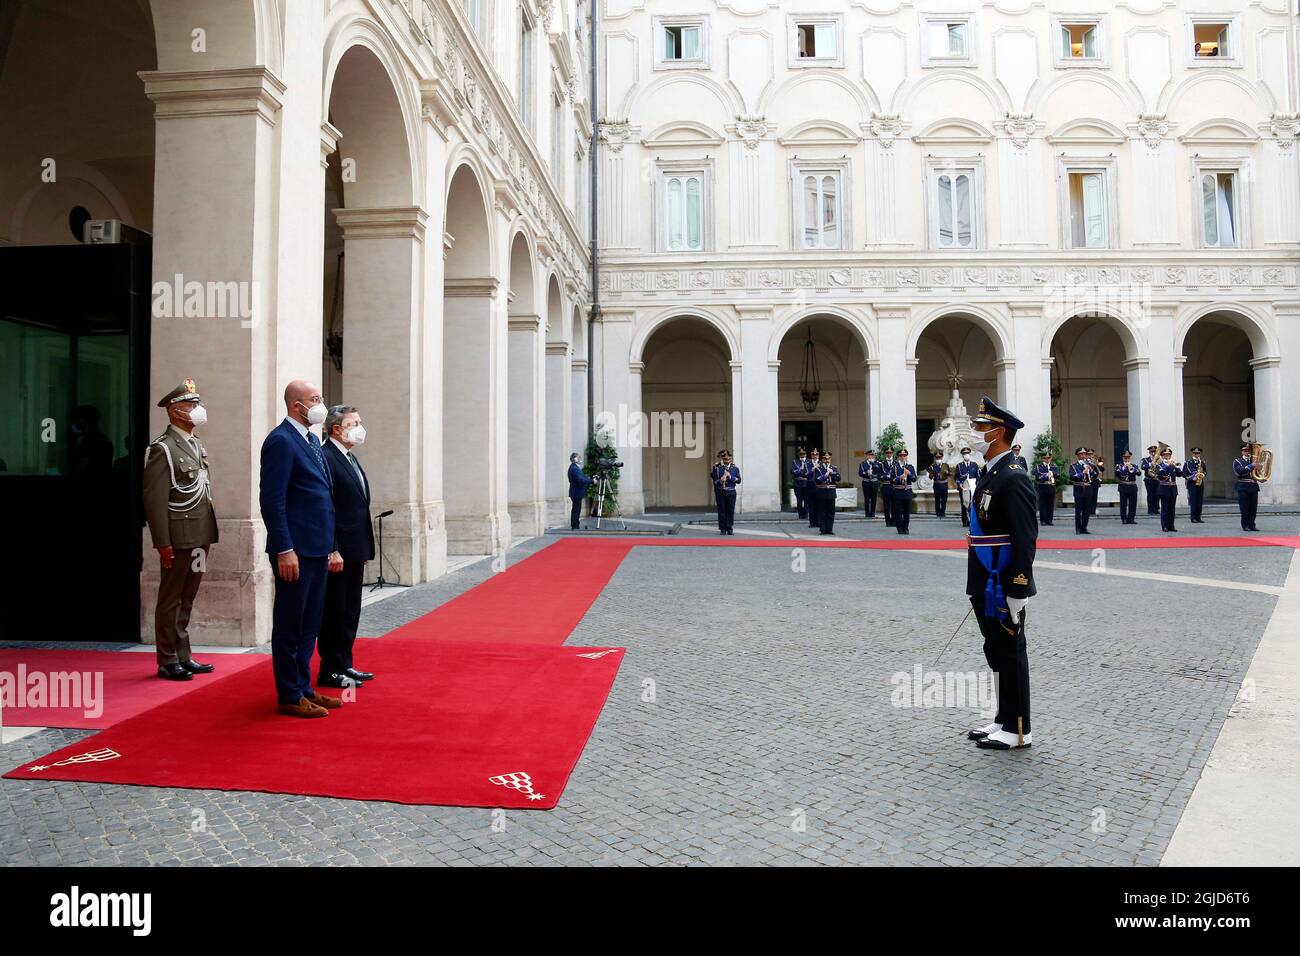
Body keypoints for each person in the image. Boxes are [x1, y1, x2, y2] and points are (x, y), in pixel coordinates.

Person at [259, 380, 345, 718]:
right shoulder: (281, 441)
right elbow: (272, 500)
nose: (321, 404)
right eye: (315, 399)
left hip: (317, 547)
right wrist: (283, 548)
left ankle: (305, 687)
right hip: (295, 550)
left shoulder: (310, 439)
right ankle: (289, 695)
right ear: (297, 406)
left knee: (310, 623)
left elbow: (323, 497)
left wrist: (331, 547)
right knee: (291, 624)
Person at [964, 396, 1037, 751]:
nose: (975, 433)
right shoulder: (991, 472)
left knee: (1011, 650)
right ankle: (1002, 720)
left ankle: (1019, 729)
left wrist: (1018, 588)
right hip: (985, 579)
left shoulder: (1014, 476)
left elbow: (1025, 538)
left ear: (999, 433)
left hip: (1004, 581)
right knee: (995, 648)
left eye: (981, 428)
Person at [142, 379, 218, 682]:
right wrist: (162, 542)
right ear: (175, 411)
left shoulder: (195, 442)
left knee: (188, 595)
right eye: (191, 405)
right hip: (179, 536)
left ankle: (184, 654)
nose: (197, 410)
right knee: (171, 597)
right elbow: (154, 499)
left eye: (196, 404)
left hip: (200, 533)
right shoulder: (162, 448)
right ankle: (167, 658)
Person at [318, 406, 376, 689]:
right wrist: (334, 548)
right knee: (335, 611)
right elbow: (327, 508)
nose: (360, 428)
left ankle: (344, 664)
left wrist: (363, 547)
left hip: (355, 548)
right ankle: (330, 669)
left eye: (360, 422)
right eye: (354, 423)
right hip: (339, 551)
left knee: (350, 610)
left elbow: (358, 505)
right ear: (336, 429)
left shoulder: (349, 457)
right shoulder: (327, 457)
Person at [710, 450, 740, 535]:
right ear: (722, 459)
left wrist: (730, 476)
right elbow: (715, 481)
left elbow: (739, 480)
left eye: (728, 459)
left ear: (731, 459)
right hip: (720, 492)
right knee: (722, 511)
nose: (727, 461)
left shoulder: (735, 468)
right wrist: (721, 479)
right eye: (725, 459)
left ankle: (729, 528)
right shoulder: (717, 468)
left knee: (730, 510)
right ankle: (723, 529)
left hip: (731, 492)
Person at [1233, 444, 1262, 532]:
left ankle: (1252, 524)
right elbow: (1239, 472)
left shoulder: (1253, 460)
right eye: (1245, 450)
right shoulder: (1237, 461)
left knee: (1253, 508)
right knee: (1244, 508)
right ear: (1242, 451)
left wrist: (1261, 477)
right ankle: (1245, 525)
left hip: (1253, 486)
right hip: (1243, 486)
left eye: (1248, 450)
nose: (1247, 452)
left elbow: (1258, 473)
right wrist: (1251, 466)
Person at [1155, 446, 1183, 532]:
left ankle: (1171, 525)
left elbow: (1179, 474)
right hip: (1164, 488)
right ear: (1162, 456)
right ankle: (1165, 526)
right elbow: (1160, 474)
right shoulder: (1160, 465)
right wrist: (1168, 466)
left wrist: (1177, 467)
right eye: (1165, 455)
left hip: (1173, 489)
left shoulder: (1173, 465)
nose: (1167, 457)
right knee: (1165, 508)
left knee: (1172, 509)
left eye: (1169, 455)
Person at [1068, 446, 1095, 534]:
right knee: (1078, 510)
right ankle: (1078, 528)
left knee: (1087, 510)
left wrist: (1090, 471)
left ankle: (1084, 527)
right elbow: (1072, 476)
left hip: (1088, 488)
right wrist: (1081, 473)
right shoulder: (1073, 466)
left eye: (1084, 454)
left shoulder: (1089, 465)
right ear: (1078, 455)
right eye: (1081, 454)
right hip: (1079, 488)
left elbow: (1094, 475)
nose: (1083, 456)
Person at [814, 450, 840, 535]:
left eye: (828, 458)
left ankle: (829, 529)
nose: (827, 460)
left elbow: (838, 478)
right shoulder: (818, 468)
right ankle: (823, 529)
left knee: (831, 511)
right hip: (822, 491)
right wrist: (826, 474)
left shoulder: (834, 468)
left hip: (831, 491)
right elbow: (817, 480)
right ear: (822, 459)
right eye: (825, 458)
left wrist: (831, 473)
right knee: (822, 511)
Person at [891, 449, 917, 534]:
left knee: (907, 511)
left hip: (907, 491)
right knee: (898, 511)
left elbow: (914, 479)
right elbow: (892, 480)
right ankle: (899, 528)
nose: (903, 457)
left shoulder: (910, 467)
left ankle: (906, 527)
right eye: (901, 456)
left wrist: (909, 474)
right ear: (898, 457)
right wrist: (900, 477)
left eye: (904, 455)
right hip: (898, 491)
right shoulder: (894, 467)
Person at [567, 453, 593, 530]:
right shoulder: (574, 468)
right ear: (574, 459)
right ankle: (575, 526)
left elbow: (581, 478)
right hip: (576, 492)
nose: (579, 458)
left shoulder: (575, 467)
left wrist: (588, 479)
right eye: (578, 457)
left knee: (576, 509)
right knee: (576, 510)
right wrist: (591, 481)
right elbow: (580, 480)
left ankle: (575, 524)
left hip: (576, 492)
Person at [956, 447, 979, 529]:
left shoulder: (974, 465)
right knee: (964, 504)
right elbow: (957, 477)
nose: (966, 455)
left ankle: (972, 520)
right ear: (962, 455)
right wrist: (959, 485)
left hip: (973, 487)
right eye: (965, 454)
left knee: (973, 504)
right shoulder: (959, 466)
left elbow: (978, 476)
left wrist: (977, 485)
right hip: (964, 488)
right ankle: (965, 520)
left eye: (967, 454)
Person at [1115, 450, 1141, 525]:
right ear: (1122, 458)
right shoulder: (1119, 466)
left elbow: (1139, 473)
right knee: (1123, 503)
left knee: (1133, 503)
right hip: (1123, 485)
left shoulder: (1134, 465)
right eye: (1125, 457)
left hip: (1132, 486)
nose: (1127, 459)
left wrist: (1130, 467)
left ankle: (1131, 518)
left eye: (1128, 457)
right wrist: (1124, 467)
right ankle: (1124, 518)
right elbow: (1118, 473)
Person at [1033, 452, 1059, 526]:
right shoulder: (1038, 466)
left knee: (1050, 504)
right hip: (1042, 486)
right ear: (1042, 459)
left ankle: (1049, 520)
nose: (1047, 460)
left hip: (1051, 486)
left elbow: (1058, 475)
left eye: (1048, 458)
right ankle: (1043, 520)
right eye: (1045, 458)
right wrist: (1046, 475)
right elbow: (1037, 476)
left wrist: (1052, 474)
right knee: (1042, 504)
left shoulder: (1054, 466)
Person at [1184, 447, 1207, 523]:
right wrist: (1191, 478)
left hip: (1200, 483)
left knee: (1199, 501)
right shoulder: (1188, 463)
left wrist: (1202, 474)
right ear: (1192, 453)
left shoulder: (1202, 462)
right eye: (1195, 453)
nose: (1196, 454)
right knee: (1193, 501)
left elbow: (1205, 472)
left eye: (1198, 453)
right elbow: (1184, 473)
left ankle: (1198, 517)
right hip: (1192, 484)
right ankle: (1193, 517)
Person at [858, 449, 880, 519]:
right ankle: (867, 513)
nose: (871, 457)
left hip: (874, 482)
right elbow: (860, 473)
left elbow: (879, 472)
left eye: (872, 455)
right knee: (867, 498)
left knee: (874, 498)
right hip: (866, 482)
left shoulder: (877, 463)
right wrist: (867, 472)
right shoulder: (863, 463)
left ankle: (872, 513)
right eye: (870, 455)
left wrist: (873, 464)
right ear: (867, 456)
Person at [791, 448, 812, 520]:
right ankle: (800, 515)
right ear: (798, 454)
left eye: (803, 454)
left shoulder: (809, 462)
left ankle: (806, 515)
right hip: (798, 484)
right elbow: (793, 471)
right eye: (800, 454)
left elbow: (811, 472)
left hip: (806, 484)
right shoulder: (795, 462)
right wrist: (799, 471)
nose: (802, 455)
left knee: (806, 500)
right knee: (799, 501)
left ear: (806, 454)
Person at [927, 454, 950, 518]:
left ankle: (943, 512)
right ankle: (937, 512)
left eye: (939, 457)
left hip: (944, 484)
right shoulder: (932, 466)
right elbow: (930, 477)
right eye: (937, 458)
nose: (938, 459)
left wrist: (947, 472)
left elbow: (950, 474)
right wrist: (931, 474)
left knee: (944, 499)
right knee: (937, 499)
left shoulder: (945, 465)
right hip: (937, 484)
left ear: (942, 457)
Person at [1140, 445, 1160, 516]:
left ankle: (1156, 509)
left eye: (1154, 451)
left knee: (1157, 494)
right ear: (1149, 452)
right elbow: (1143, 467)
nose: (1153, 453)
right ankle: (1150, 509)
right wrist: (1150, 464)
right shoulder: (1145, 460)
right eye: (1152, 452)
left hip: (1157, 479)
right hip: (1149, 480)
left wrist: (1157, 464)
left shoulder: (1159, 459)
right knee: (1150, 494)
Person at [880, 448, 897, 527]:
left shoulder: (896, 463)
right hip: (886, 486)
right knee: (886, 505)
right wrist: (886, 476)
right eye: (887, 453)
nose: (889, 454)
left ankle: (894, 520)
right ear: (885, 454)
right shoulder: (882, 464)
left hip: (894, 486)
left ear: (893, 453)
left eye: (890, 453)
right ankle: (887, 521)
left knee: (894, 505)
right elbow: (879, 475)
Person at [806, 449, 822, 529]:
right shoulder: (808, 463)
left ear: (818, 455)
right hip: (810, 485)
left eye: (816, 455)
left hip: (819, 486)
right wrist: (813, 468)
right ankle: (812, 522)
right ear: (811, 455)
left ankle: (818, 522)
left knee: (819, 505)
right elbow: (806, 474)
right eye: (813, 455)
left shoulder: (821, 463)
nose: (815, 456)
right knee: (811, 505)